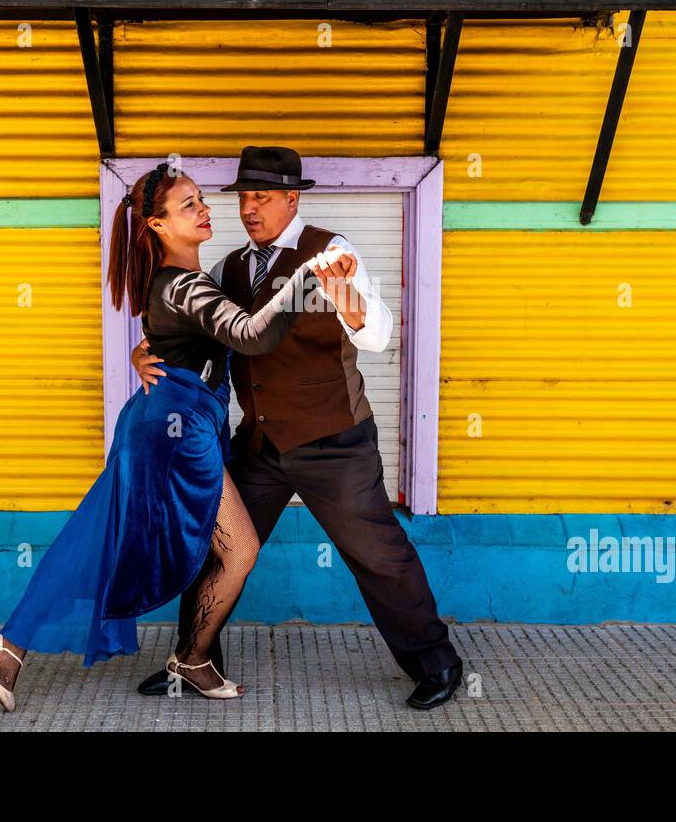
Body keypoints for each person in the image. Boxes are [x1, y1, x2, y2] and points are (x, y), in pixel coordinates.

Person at [0, 159, 357, 709]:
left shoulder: (183, 283)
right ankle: (190, 656)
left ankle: (11, 646)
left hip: (170, 419)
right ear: (156, 225)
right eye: (188, 206)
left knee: (100, 535)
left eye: (201, 200)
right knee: (236, 550)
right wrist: (304, 278)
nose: (205, 211)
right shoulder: (181, 286)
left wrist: (145, 354)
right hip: (172, 429)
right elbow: (249, 336)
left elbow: (175, 344)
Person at [132, 145, 464, 710]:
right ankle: (193, 659)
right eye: (244, 197)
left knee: (379, 555)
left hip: (335, 440)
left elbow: (378, 332)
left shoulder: (331, 252)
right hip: (260, 443)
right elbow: (188, 330)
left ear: (292, 198)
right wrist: (143, 355)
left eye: (263, 197)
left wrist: (351, 305)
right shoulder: (228, 268)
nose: (250, 208)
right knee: (217, 548)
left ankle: (437, 664)